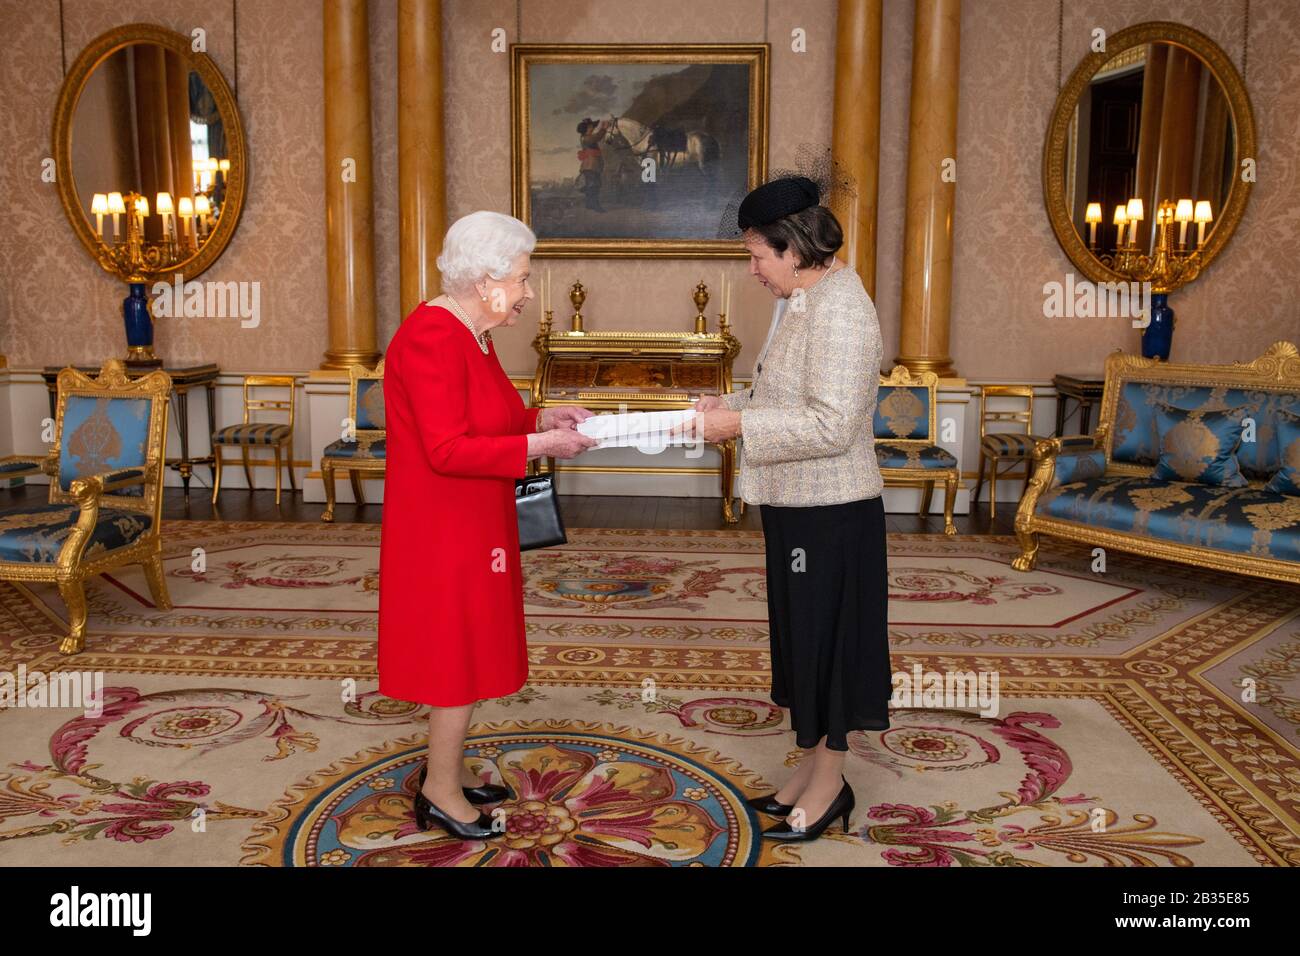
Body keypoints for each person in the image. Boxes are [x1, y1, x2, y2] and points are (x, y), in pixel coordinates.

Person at [682, 176, 890, 842]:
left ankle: (829, 783)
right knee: (803, 639)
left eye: (757, 256)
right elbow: (784, 396)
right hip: (797, 505)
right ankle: (810, 765)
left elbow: (832, 425)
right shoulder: (807, 300)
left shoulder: (843, 310)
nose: (753, 271)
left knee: (829, 645)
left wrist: (737, 431)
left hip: (832, 512)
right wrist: (729, 409)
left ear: (793, 250)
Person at [378, 210, 597, 840]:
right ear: (486, 281)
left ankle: (443, 771)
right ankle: (442, 792)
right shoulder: (431, 338)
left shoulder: (473, 334)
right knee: (454, 655)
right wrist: (540, 448)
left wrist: (542, 417)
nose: (529, 292)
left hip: (475, 518)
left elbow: (489, 418)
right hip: (443, 528)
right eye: (524, 279)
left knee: (470, 649)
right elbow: (446, 449)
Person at [576, 117, 610, 211]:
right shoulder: (587, 138)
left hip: (591, 165)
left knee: (591, 185)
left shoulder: (586, 137)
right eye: (591, 127)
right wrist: (604, 128)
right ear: (586, 128)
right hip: (591, 166)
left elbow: (596, 137)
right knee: (594, 185)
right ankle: (596, 206)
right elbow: (597, 137)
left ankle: (589, 204)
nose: (592, 128)